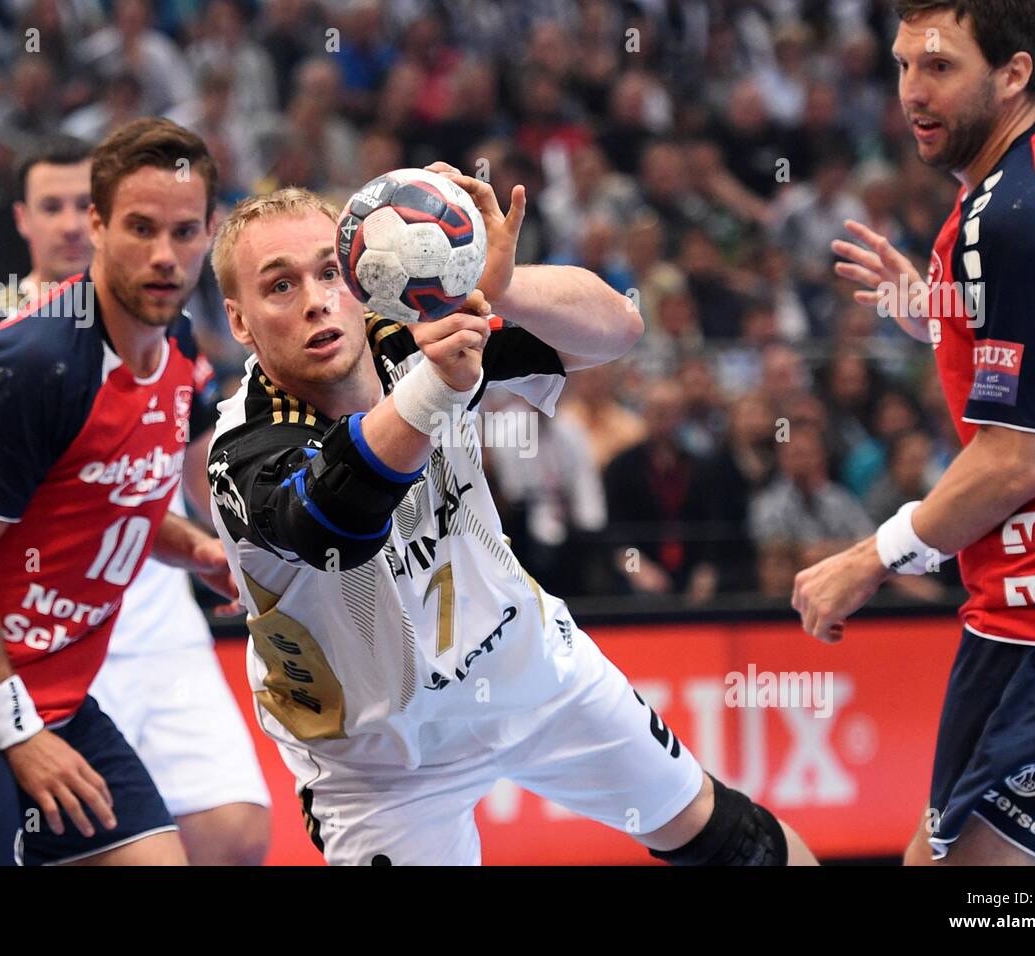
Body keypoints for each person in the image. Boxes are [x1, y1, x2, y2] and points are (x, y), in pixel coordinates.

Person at [204, 168, 817, 866]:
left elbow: (617, 329)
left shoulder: (409, 334)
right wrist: (441, 386)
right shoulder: (243, 448)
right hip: (381, 762)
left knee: (726, 837)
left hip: (527, 667)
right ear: (239, 320)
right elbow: (335, 522)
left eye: (328, 273)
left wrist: (501, 284)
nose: (316, 302)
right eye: (280, 286)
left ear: (360, 274)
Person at [795, 0, 1035, 865]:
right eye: (905, 65)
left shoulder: (1009, 224)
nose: (913, 91)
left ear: (1013, 73)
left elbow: (1015, 462)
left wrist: (869, 558)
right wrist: (944, 312)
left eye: (940, 67)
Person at [0, 118, 233, 866]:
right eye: (140, 227)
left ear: (209, 230)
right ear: (96, 224)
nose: (163, 255)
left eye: (184, 231)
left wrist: (201, 551)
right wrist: (21, 736)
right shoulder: (34, 367)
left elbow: (111, 497)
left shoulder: (179, 346)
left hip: (47, 692)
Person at [0, 137, 270, 866]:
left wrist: (229, 554)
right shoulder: (1, 333)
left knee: (234, 835)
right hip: (39, 626)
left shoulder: (173, 331)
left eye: (182, 230)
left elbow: (192, 476)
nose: (67, 224)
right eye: (52, 207)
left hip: (155, 615)